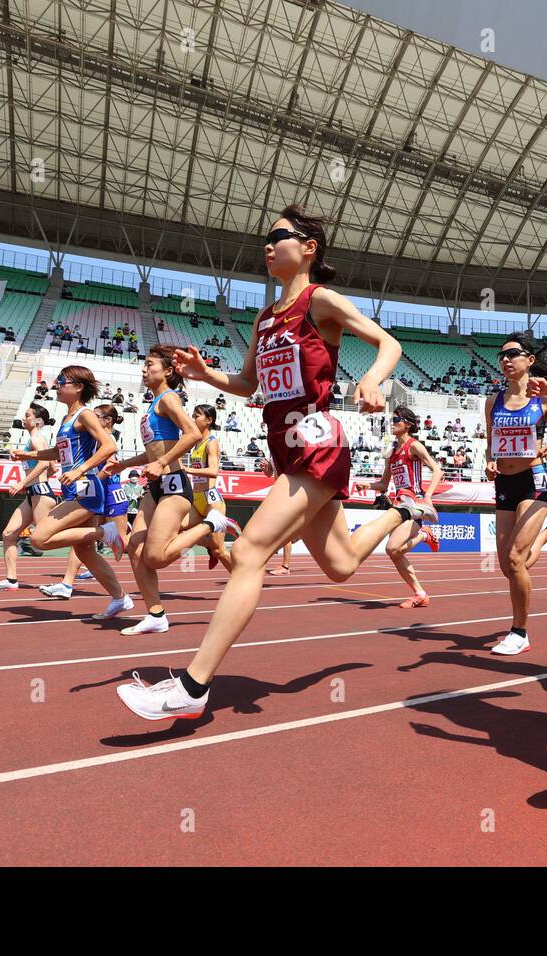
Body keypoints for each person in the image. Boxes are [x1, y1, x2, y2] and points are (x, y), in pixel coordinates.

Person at [116, 203, 427, 721]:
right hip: (283, 447)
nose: (266, 244)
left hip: (317, 437)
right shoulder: (264, 319)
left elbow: (388, 343)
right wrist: (204, 375)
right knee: (341, 565)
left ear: (309, 248)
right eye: (265, 237)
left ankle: (192, 687)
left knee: (249, 552)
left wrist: (372, 380)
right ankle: (403, 511)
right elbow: (247, 385)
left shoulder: (319, 300)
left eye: (278, 236)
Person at [97, 347, 237, 634]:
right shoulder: (152, 405)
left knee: (156, 557)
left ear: (168, 371)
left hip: (174, 486)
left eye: (149, 365)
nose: (143, 370)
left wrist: (161, 462)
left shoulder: (169, 398)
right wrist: (122, 464)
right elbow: (155, 451)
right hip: (156, 486)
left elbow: (193, 433)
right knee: (134, 547)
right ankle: (156, 614)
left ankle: (214, 522)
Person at [484, 333, 547, 656]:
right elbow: (490, 442)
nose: (505, 360)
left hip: (534, 481)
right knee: (508, 566)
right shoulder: (493, 401)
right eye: (501, 355)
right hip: (504, 484)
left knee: (515, 560)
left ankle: (519, 632)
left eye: (513, 353)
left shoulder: (544, 398)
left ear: (529, 360)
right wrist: (488, 461)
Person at [10, 365, 130, 620]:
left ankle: (106, 532)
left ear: (78, 388)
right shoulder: (67, 418)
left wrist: (80, 470)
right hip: (73, 486)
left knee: (39, 539)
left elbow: (110, 446)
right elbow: (57, 453)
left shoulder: (85, 415)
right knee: (85, 551)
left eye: (62, 381)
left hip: (85, 486)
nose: (57, 385)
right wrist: (26, 454)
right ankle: (120, 598)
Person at [352, 406, 442, 608]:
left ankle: (424, 535)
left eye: (396, 420)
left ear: (408, 424)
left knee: (392, 548)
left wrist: (427, 496)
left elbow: (437, 470)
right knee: (394, 552)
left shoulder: (415, 446)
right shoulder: (391, 452)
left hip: (415, 504)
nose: (391, 424)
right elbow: (384, 484)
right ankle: (420, 594)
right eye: (391, 420)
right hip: (399, 505)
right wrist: (367, 485)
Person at [0, 404, 61, 591]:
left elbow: (44, 465)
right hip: (33, 493)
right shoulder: (34, 441)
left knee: (44, 540)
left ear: (37, 420)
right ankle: (11, 580)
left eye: (27, 415)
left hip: (41, 494)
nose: (24, 417)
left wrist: (21, 483)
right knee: (8, 534)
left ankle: (90, 540)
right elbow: (52, 467)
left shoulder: (36, 439)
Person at [182, 404, 235, 571]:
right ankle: (210, 545)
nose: (193, 418)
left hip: (211, 501)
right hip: (196, 500)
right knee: (174, 528)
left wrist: (188, 470)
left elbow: (213, 471)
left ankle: (242, 578)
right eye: (193, 415)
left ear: (209, 420)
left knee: (220, 550)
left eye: (197, 416)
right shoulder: (196, 443)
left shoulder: (211, 443)